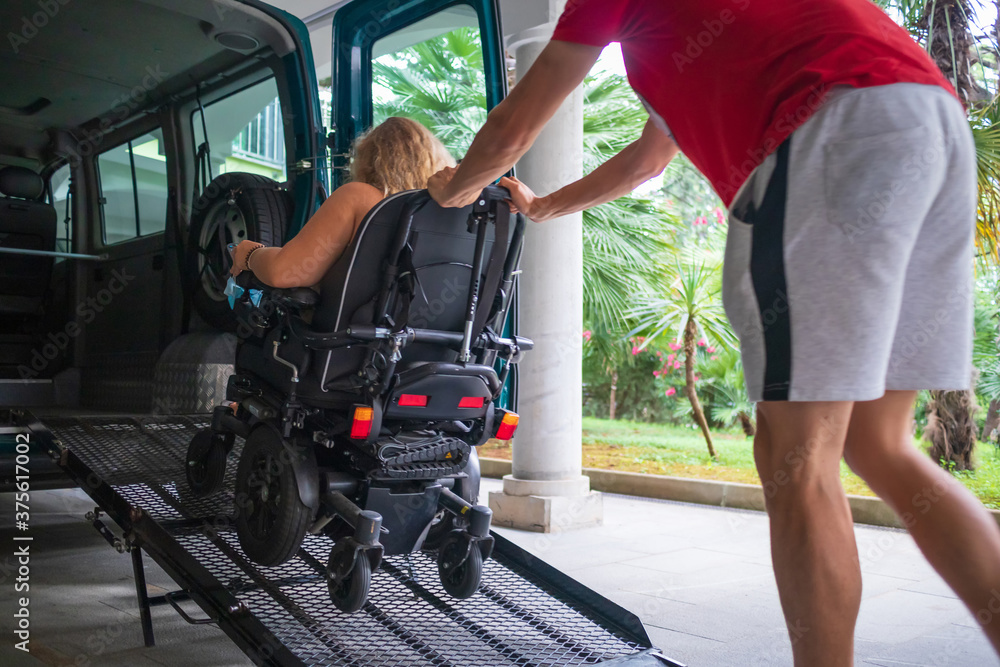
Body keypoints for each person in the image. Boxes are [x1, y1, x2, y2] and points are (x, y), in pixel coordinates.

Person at [427, 1, 1000, 665]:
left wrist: (452, 191)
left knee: (797, 460)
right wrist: (545, 206)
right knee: (880, 442)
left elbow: (512, 127)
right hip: (930, 123)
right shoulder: (701, 35)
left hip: (831, 129)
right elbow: (647, 160)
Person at [230, 116, 455, 287]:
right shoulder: (450, 214)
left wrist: (251, 254)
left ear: (370, 160)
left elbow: (285, 273)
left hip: (357, 341)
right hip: (438, 342)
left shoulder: (360, 197)